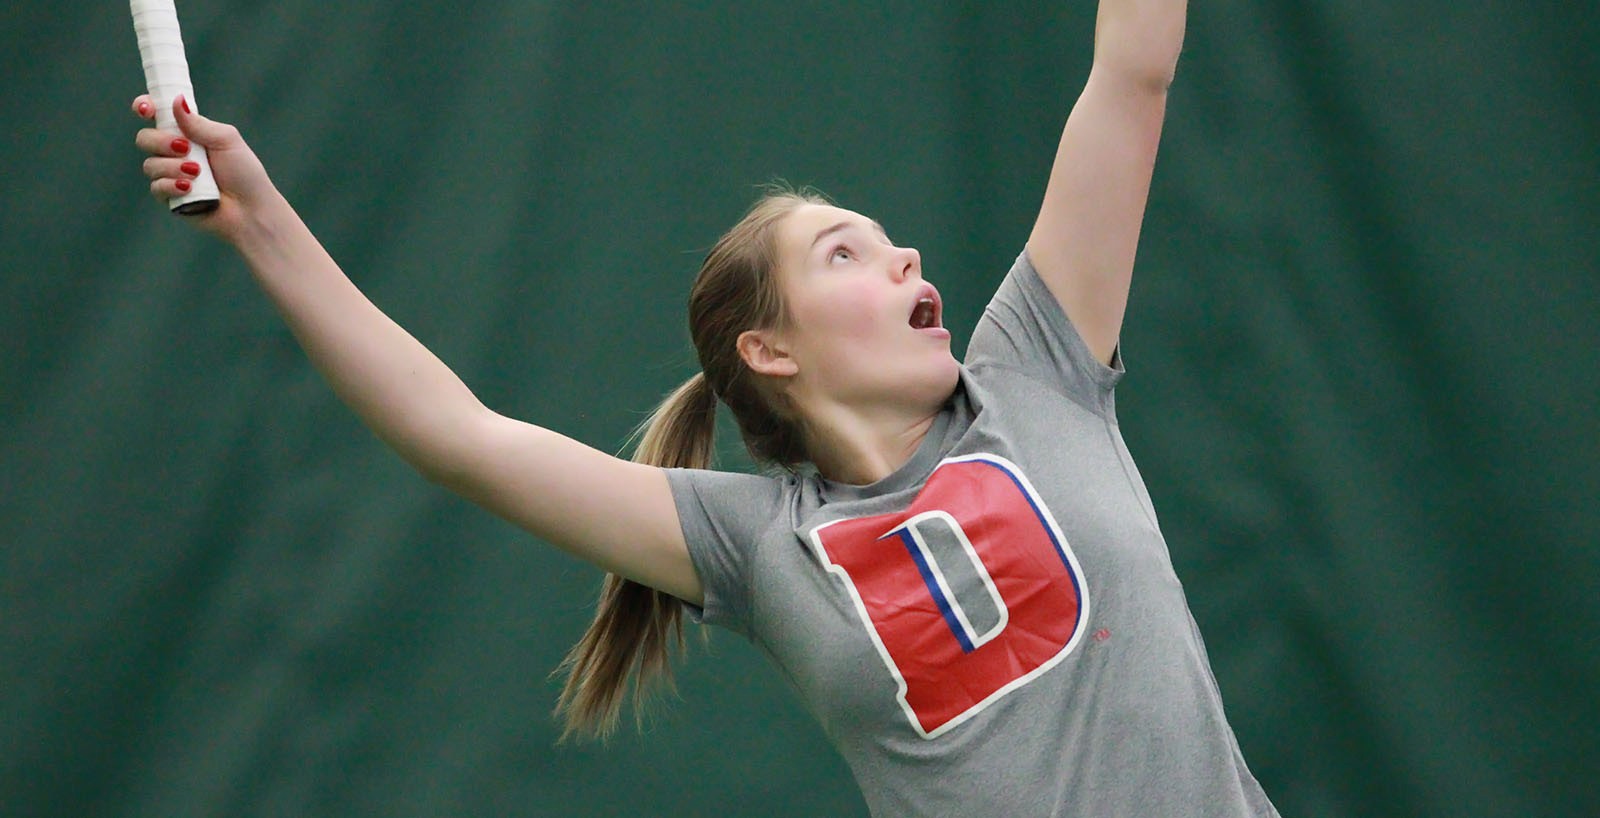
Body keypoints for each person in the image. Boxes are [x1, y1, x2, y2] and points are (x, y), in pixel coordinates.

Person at [132, 1, 1280, 815]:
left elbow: (1132, 66)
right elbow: (461, 435)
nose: (904, 255)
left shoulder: (1035, 371)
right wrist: (261, 223)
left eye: (891, 244)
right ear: (768, 347)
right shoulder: (755, 544)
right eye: (847, 252)